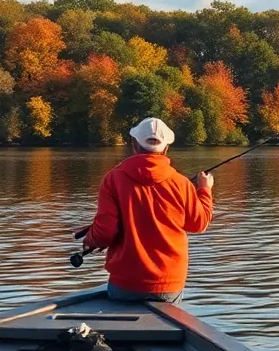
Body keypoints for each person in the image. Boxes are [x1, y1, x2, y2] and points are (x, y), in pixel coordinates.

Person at [82, 117, 213, 304]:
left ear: (134, 144)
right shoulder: (181, 183)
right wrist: (205, 190)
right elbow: (199, 224)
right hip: (169, 284)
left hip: (125, 284)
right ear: (166, 148)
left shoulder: (112, 179)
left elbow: (104, 233)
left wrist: (89, 240)